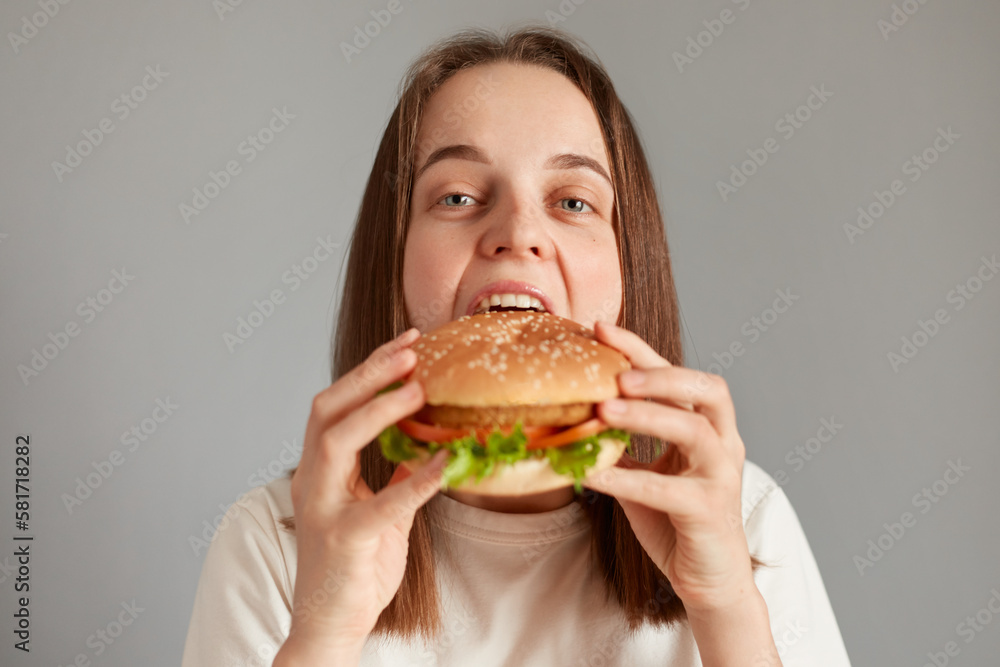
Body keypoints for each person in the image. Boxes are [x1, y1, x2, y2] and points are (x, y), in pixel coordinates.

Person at [181, 26, 851, 667]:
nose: (518, 232)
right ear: (396, 255)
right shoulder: (277, 541)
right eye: (460, 195)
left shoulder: (738, 514)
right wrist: (324, 630)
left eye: (573, 201)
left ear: (627, 267)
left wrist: (727, 603)